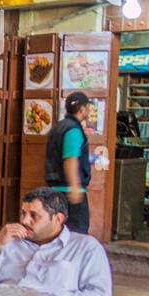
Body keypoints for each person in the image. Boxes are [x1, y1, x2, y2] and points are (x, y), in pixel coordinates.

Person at [47, 92, 93, 235]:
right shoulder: (73, 130)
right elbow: (70, 159)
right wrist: (74, 186)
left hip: (55, 189)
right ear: (82, 109)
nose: (89, 110)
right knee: (77, 234)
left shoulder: (58, 127)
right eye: (88, 107)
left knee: (57, 232)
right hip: (68, 190)